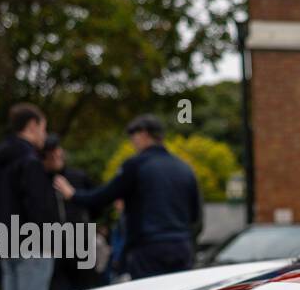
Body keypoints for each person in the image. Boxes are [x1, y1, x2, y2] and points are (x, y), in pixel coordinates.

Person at [53, 114, 202, 280]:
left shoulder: (136, 165)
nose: (133, 143)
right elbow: (195, 215)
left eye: (133, 137)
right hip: (182, 247)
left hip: (148, 249)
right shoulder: (184, 168)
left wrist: (73, 195)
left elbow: (104, 196)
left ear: (144, 134)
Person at [0, 102, 56, 290]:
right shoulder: (30, 161)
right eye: (43, 128)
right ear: (32, 125)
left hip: (5, 238)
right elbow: (38, 205)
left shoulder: (0, 162)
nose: (44, 135)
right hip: (33, 242)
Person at [42, 134, 100, 290]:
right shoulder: (39, 179)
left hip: (80, 242)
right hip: (52, 245)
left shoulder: (77, 177)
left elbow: (95, 204)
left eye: (57, 150)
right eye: (50, 153)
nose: (56, 155)